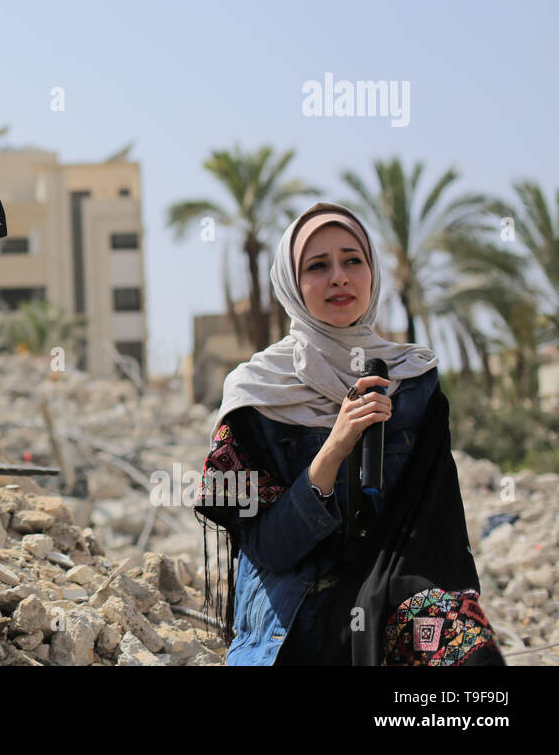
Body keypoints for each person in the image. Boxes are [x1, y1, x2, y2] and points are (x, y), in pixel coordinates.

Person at [194, 201, 504, 666]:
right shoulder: (256, 395)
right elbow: (269, 551)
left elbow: (437, 530)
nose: (339, 276)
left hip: (394, 589)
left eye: (352, 260)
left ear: (372, 273)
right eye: (318, 266)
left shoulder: (413, 380)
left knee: (469, 656)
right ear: (292, 286)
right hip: (295, 606)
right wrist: (335, 448)